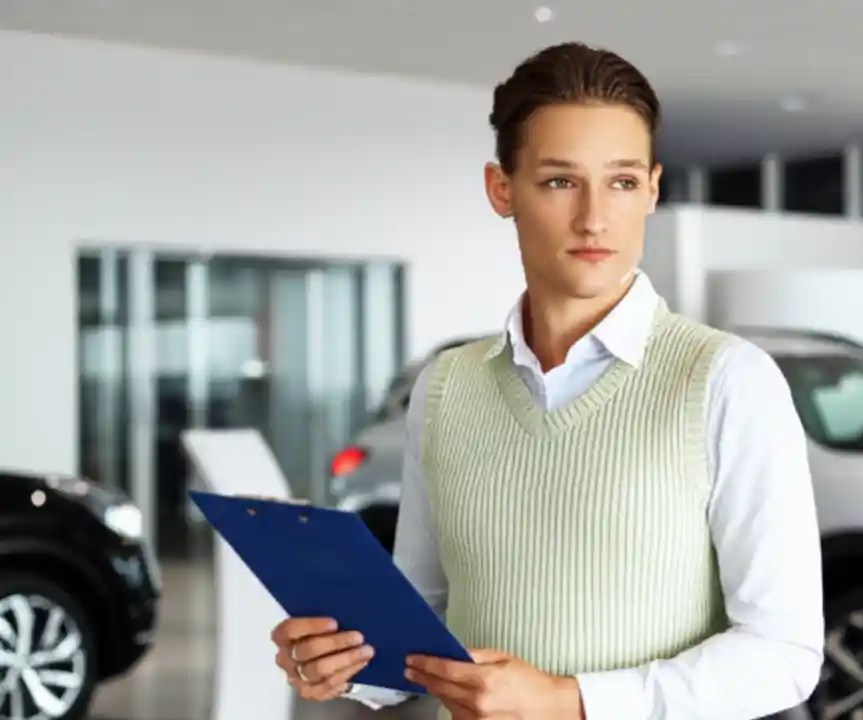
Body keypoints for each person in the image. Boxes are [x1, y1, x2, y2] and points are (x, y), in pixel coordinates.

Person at [269, 41, 824, 719]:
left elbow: (783, 655)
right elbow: (422, 626)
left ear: (651, 188)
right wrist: (346, 665)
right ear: (502, 190)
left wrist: (573, 701)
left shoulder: (727, 381)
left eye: (621, 181)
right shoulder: (446, 389)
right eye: (561, 181)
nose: (595, 216)